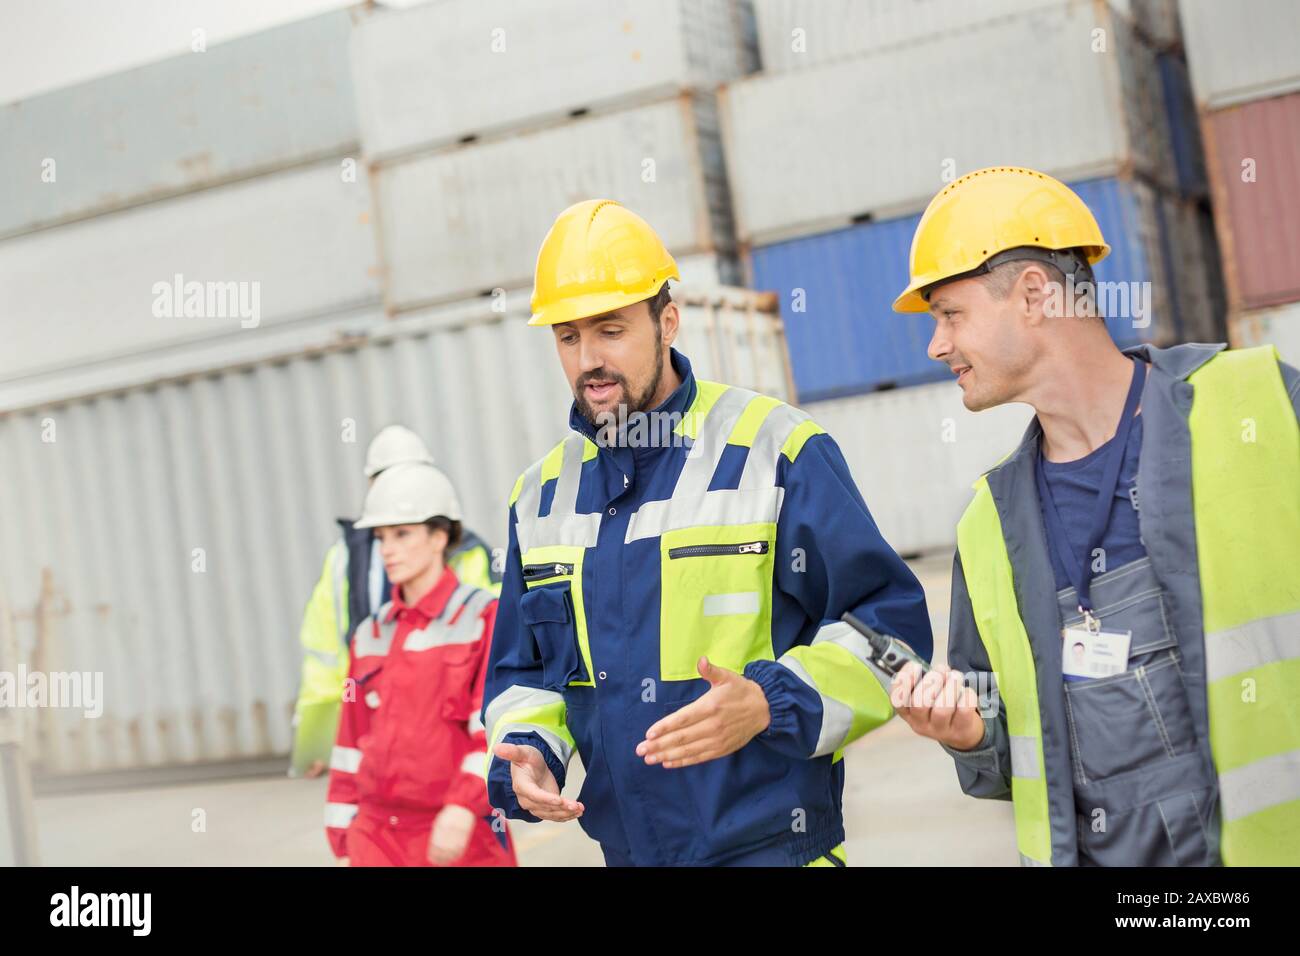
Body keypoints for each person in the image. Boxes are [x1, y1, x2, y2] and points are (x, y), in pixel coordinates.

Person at [480, 199, 932, 866]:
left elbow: (889, 634)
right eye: (568, 337)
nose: (588, 362)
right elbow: (525, 673)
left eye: (609, 330)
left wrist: (771, 703)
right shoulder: (540, 496)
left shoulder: (775, 451)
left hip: (774, 851)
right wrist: (529, 753)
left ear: (668, 321)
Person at [889, 166, 1300, 866]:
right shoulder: (989, 524)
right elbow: (1004, 755)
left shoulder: (1259, 407)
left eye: (950, 314)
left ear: (1034, 294)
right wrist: (965, 732)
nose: (936, 346)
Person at [323, 462, 516, 867]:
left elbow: (496, 727)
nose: (387, 549)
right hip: (376, 837)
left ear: (439, 537)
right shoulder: (371, 634)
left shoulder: (484, 618)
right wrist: (344, 836)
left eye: (402, 534)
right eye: (380, 537)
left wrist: (464, 806)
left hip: (459, 831)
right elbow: (350, 742)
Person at [291, 425, 501, 777]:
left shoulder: (470, 554)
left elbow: (492, 651)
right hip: (376, 721)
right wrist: (317, 738)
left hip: (450, 727)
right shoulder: (345, 559)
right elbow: (324, 652)